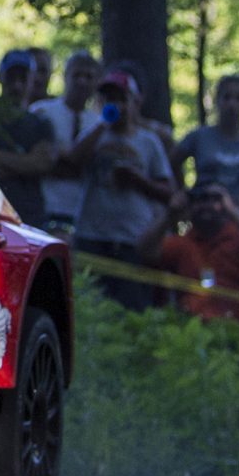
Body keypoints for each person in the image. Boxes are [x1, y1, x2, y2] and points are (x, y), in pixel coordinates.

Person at [65, 68, 175, 307]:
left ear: (135, 102)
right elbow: (72, 161)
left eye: (121, 99)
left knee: (132, 306)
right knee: (89, 306)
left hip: (133, 239)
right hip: (91, 236)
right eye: (109, 99)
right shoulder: (92, 134)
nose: (116, 105)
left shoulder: (149, 141)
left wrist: (138, 180)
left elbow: (168, 192)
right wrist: (102, 125)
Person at [142, 179, 239, 333]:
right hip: (198, 330)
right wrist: (170, 214)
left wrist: (232, 210)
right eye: (199, 200)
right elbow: (146, 252)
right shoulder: (184, 244)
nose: (206, 205)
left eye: (214, 199)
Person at [0, 49, 58, 223]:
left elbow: (42, 163)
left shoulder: (40, 123)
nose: (17, 86)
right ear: (0, 78)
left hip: (29, 216)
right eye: (11, 78)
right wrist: (22, 163)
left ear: (32, 79)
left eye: (23, 78)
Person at [175, 73, 239, 211]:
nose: (232, 104)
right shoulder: (198, 137)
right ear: (217, 100)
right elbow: (173, 162)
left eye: (238, 98)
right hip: (206, 213)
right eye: (226, 97)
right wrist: (183, 195)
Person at [28, 50, 101, 236]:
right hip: (43, 205)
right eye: (77, 75)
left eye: (89, 77)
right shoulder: (42, 112)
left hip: (81, 215)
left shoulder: (98, 122)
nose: (82, 82)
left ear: (97, 82)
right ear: (65, 77)